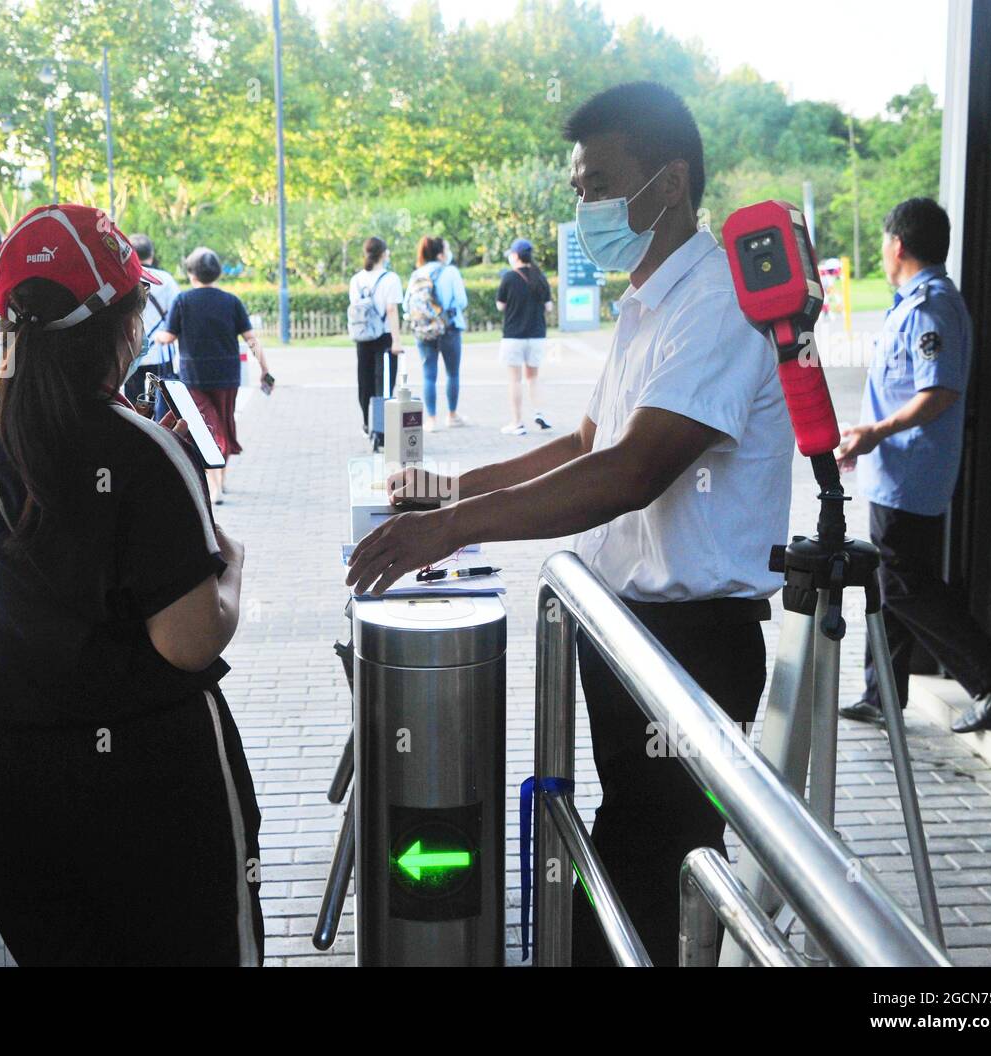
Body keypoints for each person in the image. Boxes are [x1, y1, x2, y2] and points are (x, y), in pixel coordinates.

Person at [346, 81, 792, 966]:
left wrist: (451, 528)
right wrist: (451, 493)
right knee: (631, 843)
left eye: (598, 184)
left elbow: (629, 473)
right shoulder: (649, 301)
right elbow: (587, 442)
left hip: (692, 647)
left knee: (653, 866)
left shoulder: (716, 306)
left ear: (668, 183)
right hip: (634, 639)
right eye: (578, 186)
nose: (582, 207)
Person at [0, 203, 262, 966]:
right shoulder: (144, 448)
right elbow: (188, 640)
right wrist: (231, 565)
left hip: (16, 777)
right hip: (147, 780)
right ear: (121, 324)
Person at [837, 197, 991, 734]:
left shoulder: (930, 307)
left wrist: (875, 432)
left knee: (904, 583)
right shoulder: (914, 302)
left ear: (897, 244)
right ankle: (883, 693)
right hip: (895, 470)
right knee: (891, 577)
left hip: (910, 473)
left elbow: (939, 391)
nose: (881, 249)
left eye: (882, 240)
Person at [154, 247, 271, 505]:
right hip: (227, 376)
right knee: (224, 427)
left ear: (191, 273)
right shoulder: (231, 301)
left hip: (194, 377)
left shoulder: (183, 301)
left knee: (205, 429)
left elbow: (169, 336)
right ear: (217, 272)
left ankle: (215, 484)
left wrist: (158, 336)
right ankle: (220, 480)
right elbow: (251, 339)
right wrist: (265, 369)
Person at [407, 236, 468, 431]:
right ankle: (451, 415)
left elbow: (407, 304)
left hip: (424, 331)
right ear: (441, 254)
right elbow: (461, 301)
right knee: (452, 373)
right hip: (449, 328)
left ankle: (431, 419)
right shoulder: (450, 272)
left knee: (428, 375)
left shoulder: (417, 274)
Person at [496, 238, 555, 435]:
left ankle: (517, 422)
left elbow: (500, 305)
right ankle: (540, 412)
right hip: (537, 334)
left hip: (513, 336)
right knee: (533, 378)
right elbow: (548, 306)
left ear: (515, 255)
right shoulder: (540, 277)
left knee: (515, 380)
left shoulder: (509, 277)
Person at [347, 236, 405, 434]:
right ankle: (382, 427)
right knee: (385, 382)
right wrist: (397, 340)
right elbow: (391, 310)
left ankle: (367, 423)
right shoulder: (391, 279)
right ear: (383, 254)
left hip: (362, 337)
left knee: (365, 380)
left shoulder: (356, 280)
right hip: (384, 337)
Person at [123, 233, 181, 402]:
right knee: (162, 406)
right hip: (160, 354)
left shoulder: (125, 278)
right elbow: (177, 314)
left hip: (131, 353)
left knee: (134, 407)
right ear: (152, 254)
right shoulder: (166, 280)